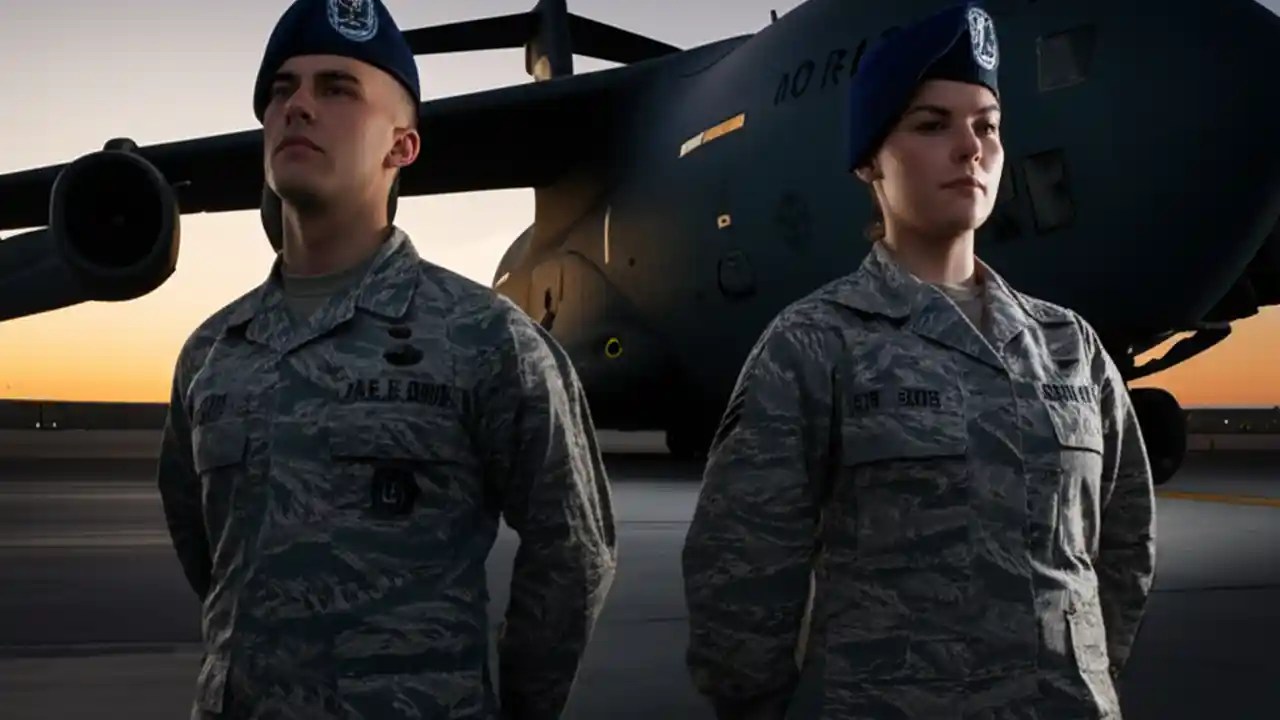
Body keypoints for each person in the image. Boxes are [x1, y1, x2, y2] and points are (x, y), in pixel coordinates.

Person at [680, 3, 1157, 718]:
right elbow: (741, 581)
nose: (971, 149)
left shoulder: (1069, 347)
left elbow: (1123, 550)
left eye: (986, 126)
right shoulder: (815, 344)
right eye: (932, 125)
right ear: (871, 158)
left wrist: (1081, 679)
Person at [155, 1, 617, 718]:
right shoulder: (215, 351)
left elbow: (574, 550)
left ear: (401, 147)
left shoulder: (487, 339)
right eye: (282, 91)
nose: (297, 106)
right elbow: (207, 554)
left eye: (335, 88)